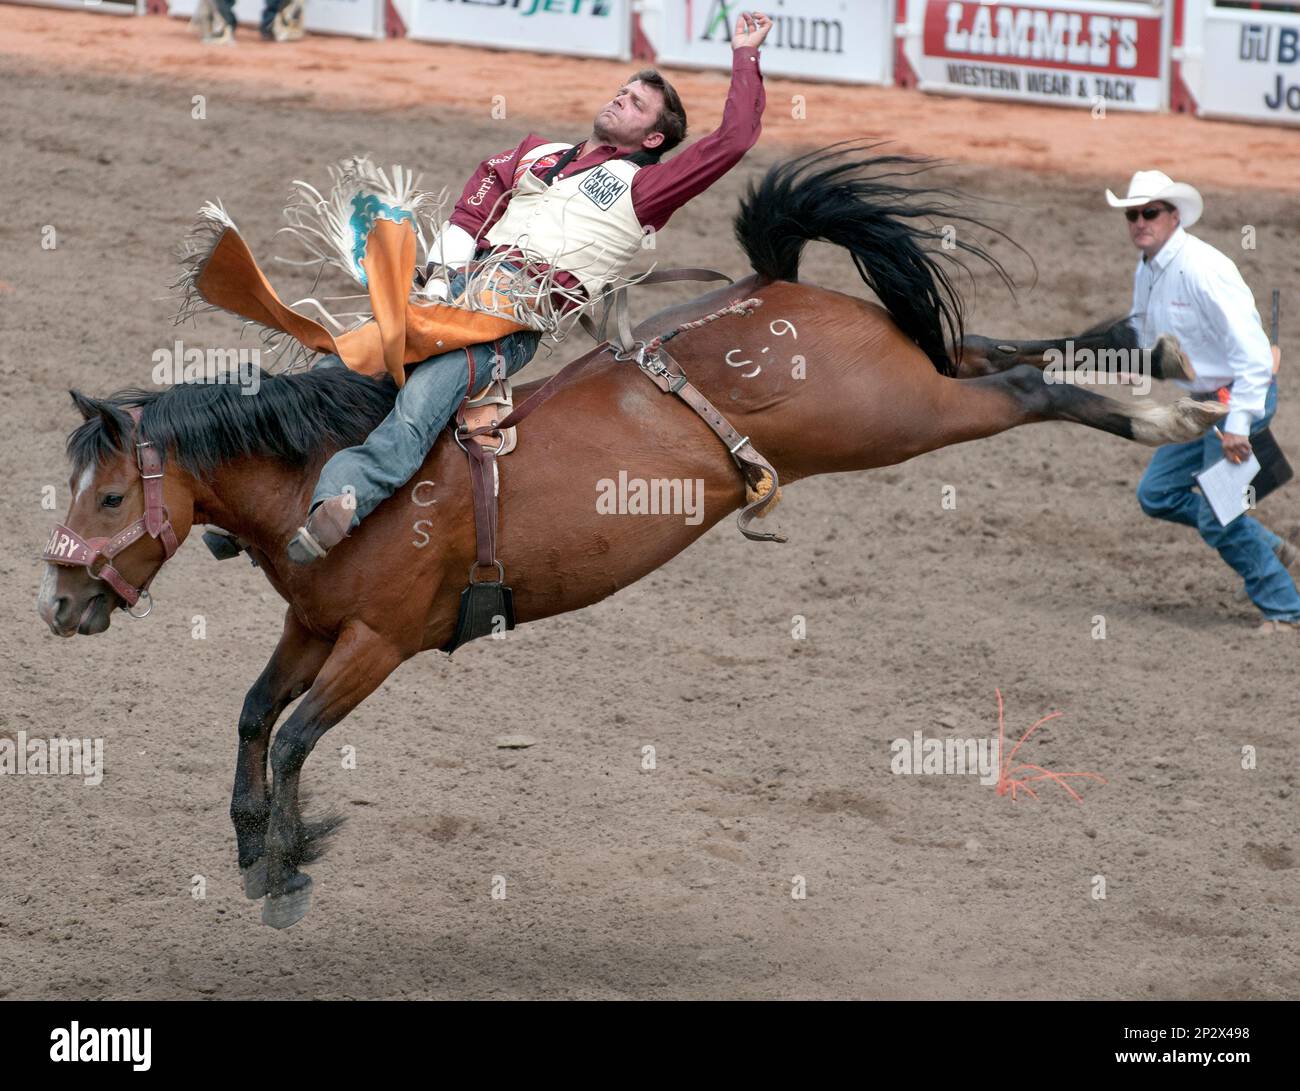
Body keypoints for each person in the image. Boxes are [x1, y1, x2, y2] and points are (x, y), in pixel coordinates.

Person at [285, 11, 774, 565]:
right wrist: (445, 273)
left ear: (653, 138)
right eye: (622, 91)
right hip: (452, 296)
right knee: (337, 367)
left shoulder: (646, 188)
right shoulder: (538, 152)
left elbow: (734, 140)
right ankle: (263, 471)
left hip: (510, 326)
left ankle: (342, 499)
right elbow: (481, 192)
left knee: (420, 404)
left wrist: (745, 53)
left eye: (636, 104)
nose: (620, 100)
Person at [1110, 170, 1300, 633]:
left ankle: (1285, 608)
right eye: (1133, 214)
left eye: (1149, 212)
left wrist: (1237, 424)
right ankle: (1267, 544)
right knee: (1157, 494)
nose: (1140, 221)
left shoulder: (1202, 270)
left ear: (1174, 216)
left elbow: (1255, 358)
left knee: (1220, 520)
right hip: (1202, 403)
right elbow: (1143, 332)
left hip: (1238, 400)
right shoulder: (1148, 267)